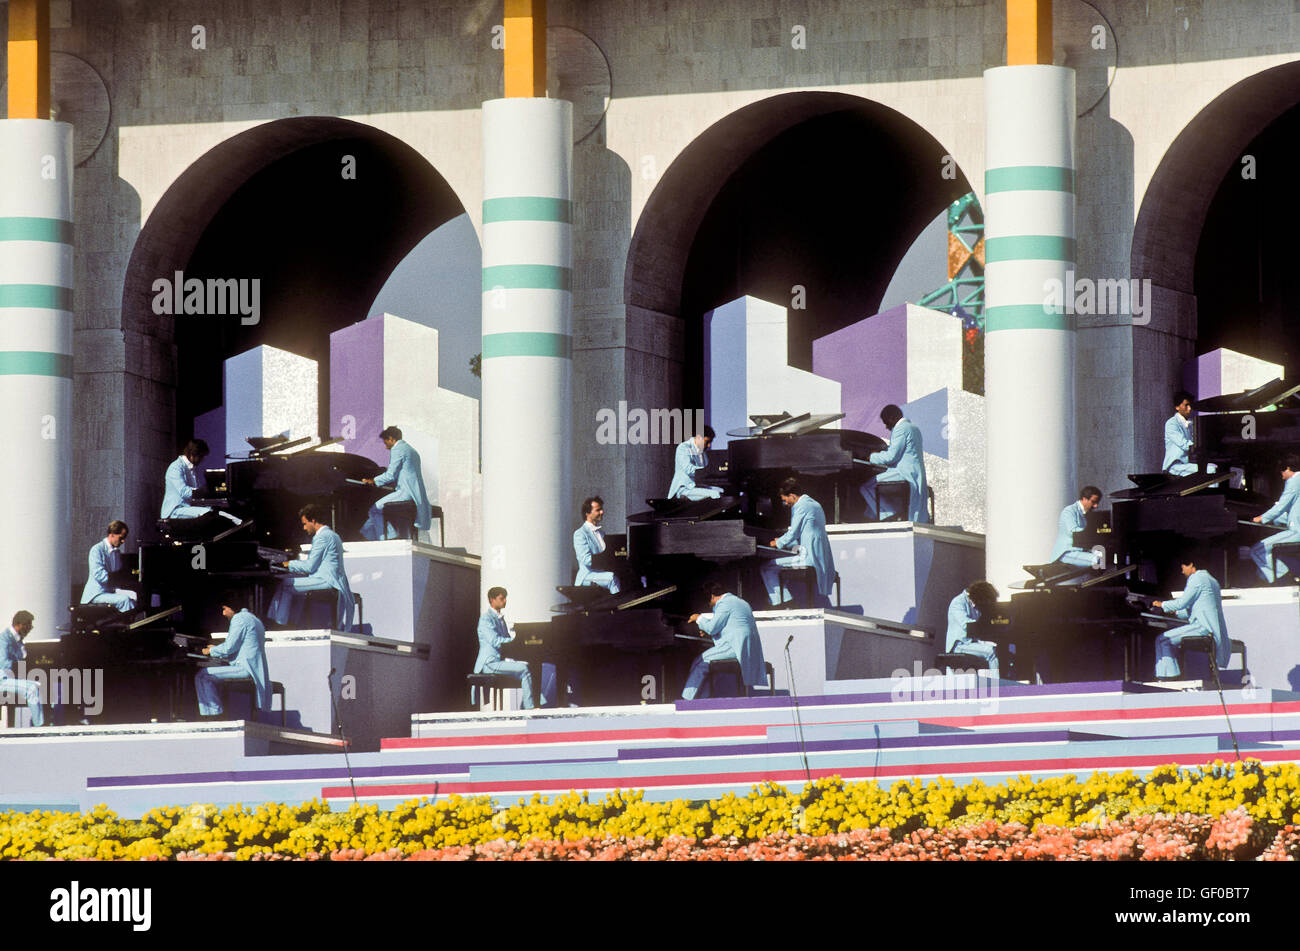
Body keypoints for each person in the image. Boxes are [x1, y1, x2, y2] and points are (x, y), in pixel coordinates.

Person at [267, 504, 355, 630]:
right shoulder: (333, 535)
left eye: (304, 523)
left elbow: (309, 566)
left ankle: (280, 625)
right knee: (293, 586)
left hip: (327, 580)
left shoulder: (322, 536)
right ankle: (290, 623)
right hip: (330, 579)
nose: (304, 528)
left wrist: (288, 564)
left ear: (313, 520)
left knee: (286, 584)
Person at [682, 582, 767, 700]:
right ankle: (701, 698)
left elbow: (712, 628)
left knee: (700, 662)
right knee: (707, 665)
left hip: (735, 647)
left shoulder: (725, 603)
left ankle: (688, 699)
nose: (710, 605)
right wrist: (708, 629)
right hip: (746, 649)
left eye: (709, 602)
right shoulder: (741, 602)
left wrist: (699, 618)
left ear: (712, 596)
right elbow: (732, 625)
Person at [1152, 553, 1229, 679]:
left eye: (1183, 567)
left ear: (1191, 565)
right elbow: (1199, 607)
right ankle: (1171, 675)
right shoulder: (1212, 580)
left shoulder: (1197, 578)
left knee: (1162, 640)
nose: (1182, 571)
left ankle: (1168, 679)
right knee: (1166, 641)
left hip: (1203, 627)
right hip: (1212, 628)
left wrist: (1162, 605)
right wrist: (1176, 612)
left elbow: (1182, 603)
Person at [760, 478, 835, 607]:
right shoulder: (815, 504)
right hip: (820, 556)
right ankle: (784, 600)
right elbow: (805, 531)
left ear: (792, 496)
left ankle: (782, 603)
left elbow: (794, 532)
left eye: (785, 500)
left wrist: (777, 543)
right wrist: (784, 542)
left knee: (767, 568)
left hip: (809, 557)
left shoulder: (800, 506)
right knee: (781, 569)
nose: (785, 503)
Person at [195, 593, 271, 720]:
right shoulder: (254, 619)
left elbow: (229, 647)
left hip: (245, 668)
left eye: (225, 609)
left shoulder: (239, 618)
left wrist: (209, 651)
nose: (224, 613)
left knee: (203, 675)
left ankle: (213, 716)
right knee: (212, 676)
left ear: (232, 608)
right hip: (255, 668)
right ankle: (216, 712)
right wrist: (216, 649)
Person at [360, 426, 432, 541]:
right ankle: (366, 534)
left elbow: (391, 475)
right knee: (373, 515)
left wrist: (373, 481)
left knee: (375, 509)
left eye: (386, 443)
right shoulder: (411, 450)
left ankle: (386, 539)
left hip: (406, 492)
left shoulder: (398, 449)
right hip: (415, 492)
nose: (386, 447)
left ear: (391, 438)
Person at [860, 404, 929, 523]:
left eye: (886, 422)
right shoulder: (913, 428)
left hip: (904, 472)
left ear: (892, 417)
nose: (886, 427)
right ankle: (870, 517)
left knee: (866, 487)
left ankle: (890, 514)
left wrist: (871, 456)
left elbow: (891, 457)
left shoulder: (901, 428)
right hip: (914, 472)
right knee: (875, 493)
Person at [473, 587, 536, 709]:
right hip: (489, 662)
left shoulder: (500, 619)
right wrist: (515, 641)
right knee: (524, 668)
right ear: (492, 600)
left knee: (528, 669)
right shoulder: (486, 619)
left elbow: (507, 641)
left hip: (499, 661)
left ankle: (529, 706)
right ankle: (529, 708)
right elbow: (495, 641)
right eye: (502, 598)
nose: (505, 601)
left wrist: (520, 643)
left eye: (505, 598)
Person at [161, 438, 239, 523]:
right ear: (192, 454)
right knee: (209, 514)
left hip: (187, 509)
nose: (202, 460)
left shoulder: (192, 469)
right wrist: (204, 491)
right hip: (175, 510)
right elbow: (184, 492)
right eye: (201, 456)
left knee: (217, 512)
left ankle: (238, 523)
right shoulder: (176, 467)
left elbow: (196, 497)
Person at [1250, 455, 1300, 584]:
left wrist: (1263, 518)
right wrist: (1274, 519)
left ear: (1289, 468)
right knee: (1270, 557)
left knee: (1257, 550)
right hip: (1295, 528)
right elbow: (1290, 509)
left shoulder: (1295, 481)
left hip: (1297, 531)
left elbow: (1283, 505)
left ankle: (1282, 580)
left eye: (1282, 469)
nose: (1280, 473)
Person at [80, 520, 137, 613]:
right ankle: (127, 625)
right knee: (125, 600)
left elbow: (118, 573)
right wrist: (117, 579)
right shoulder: (96, 550)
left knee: (134, 595)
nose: (123, 541)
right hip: (96, 594)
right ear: (112, 534)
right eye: (121, 538)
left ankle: (130, 622)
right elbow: (98, 574)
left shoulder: (116, 552)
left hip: (109, 591)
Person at [944, 581, 1000, 673]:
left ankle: (1001, 680)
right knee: (991, 652)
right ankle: (995, 684)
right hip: (959, 645)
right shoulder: (958, 602)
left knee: (999, 649)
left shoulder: (975, 603)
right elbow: (966, 625)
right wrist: (988, 627)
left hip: (971, 643)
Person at [0, 611, 43, 727]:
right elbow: (3, 664)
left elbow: (23, 657)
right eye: (29, 625)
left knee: (39, 685)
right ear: (20, 624)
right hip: (2, 680)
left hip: (9, 679)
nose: (30, 628)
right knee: (32, 688)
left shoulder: (17, 640)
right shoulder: (3, 639)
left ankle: (38, 721)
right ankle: (39, 727)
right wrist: (20, 664)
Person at [573, 496, 620, 594]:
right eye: (598, 510)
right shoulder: (580, 534)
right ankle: (619, 608)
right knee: (612, 578)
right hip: (587, 575)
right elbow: (585, 560)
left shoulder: (601, 533)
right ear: (587, 513)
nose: (602, 512)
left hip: (600, 572)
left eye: (602, 509)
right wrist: (606, 561)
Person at [1051, 485, 1103, 568]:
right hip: (1066, 552)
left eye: (1097, 503)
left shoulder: (1085, 513)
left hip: (1078, 551)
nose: (1096, 506)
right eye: (1093, 502)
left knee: (1105, 555)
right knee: (1098, 560)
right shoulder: (1069, 511)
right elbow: (1075, 532)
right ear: (1084, 499)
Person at [667, 425, 723, 501]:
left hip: (698, 487)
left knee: (721, 491)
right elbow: (688, 469)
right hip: (685, 489)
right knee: (715, 494)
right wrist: (707, 471)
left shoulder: (703, 454)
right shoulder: (683, 448)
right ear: (699, 437)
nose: (709, 445)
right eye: (707, 442)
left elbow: (704, 475)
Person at [1162, 391, 1197, 477]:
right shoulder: (1171, 423)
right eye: (1186, 405)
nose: (1189, 409)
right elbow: (1184, 444)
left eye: (1190, 406)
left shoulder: (1191, 424)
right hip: (1175, 467)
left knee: (1213, 468)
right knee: (1211, 470)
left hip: (1186, 466)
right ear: (1177, 407)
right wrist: (1198, 447)